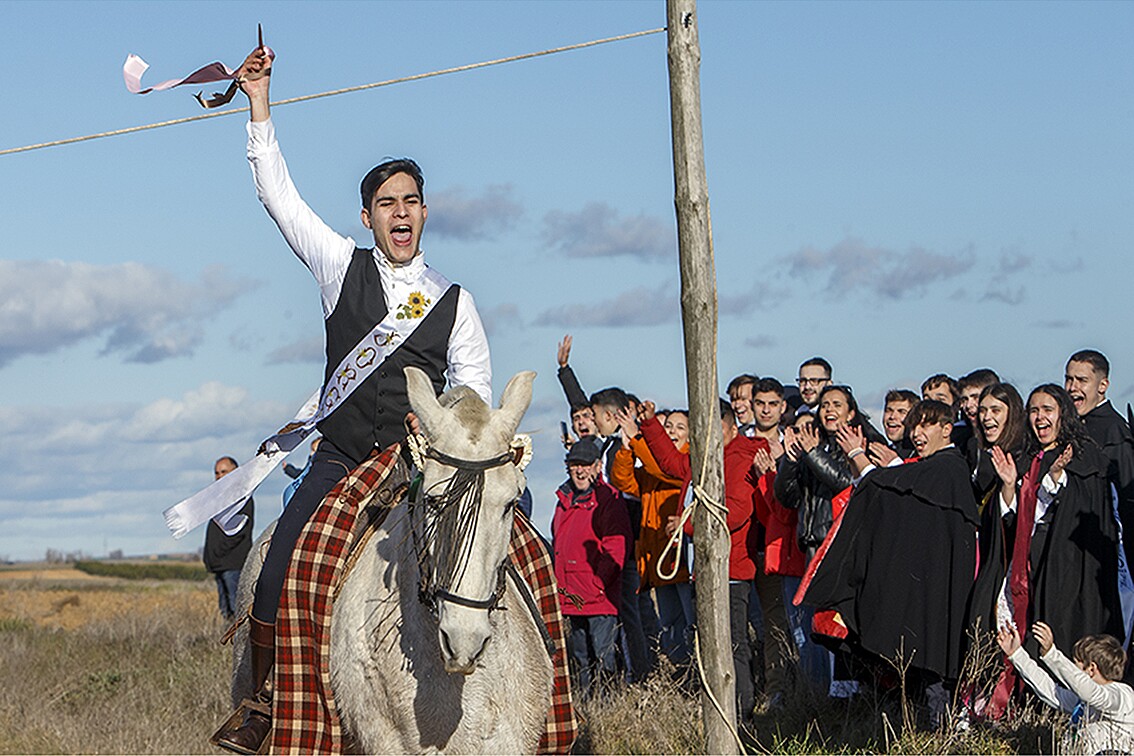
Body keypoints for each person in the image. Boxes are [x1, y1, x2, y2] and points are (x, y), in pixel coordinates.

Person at [214, 44, 494, 754]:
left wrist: (440, 422)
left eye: (409, 202)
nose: (399, 214)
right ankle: (265, 705)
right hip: (341, 458)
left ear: (425, 213)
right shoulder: (340, 267)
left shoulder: (456, 303)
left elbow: (477, 395)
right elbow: (278, 196)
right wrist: (259, 106)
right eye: (385, 204)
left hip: (422, 467)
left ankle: (547, 709)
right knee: (279, 573)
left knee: (524, 555)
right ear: (367, 217)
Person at [802, 400, 980, 721]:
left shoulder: (949, 467)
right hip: (925, 591)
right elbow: (902, 486)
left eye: (925, 426)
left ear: (946, 428)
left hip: (937, 598)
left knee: (934, 685)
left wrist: (859, 457)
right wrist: (891, 467)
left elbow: (892, 490)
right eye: (914, 427)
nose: (917, 434)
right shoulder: (932, 469)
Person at [640, 398, 768, 723]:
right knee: (707, 641)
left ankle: (741, 713)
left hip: (732, 569)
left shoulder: (741, 457)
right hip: (703, 569)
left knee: (734, 642)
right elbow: (671, 464)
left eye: (717, 429)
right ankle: (717, 709)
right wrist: (651, 424)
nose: (709, 435)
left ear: (731, 427)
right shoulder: (704, 456)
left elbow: (737, 511)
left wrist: (689, 523)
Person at [610, 407, 694, 665]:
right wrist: (625, 450)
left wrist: (638, 439)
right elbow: (623, 482)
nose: (672, 431)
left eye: (680, 427)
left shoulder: (688, 461)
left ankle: (697, 674)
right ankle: (681, 676)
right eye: (668, 426)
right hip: (658, 558)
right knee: (669, 623)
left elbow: (666, 470)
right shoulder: (650, 467)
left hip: (681, 556)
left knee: (692, 622)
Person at [553, 442, 633, 700]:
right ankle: (587, 708)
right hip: (571, 595)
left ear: (598, 466)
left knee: (605, 656)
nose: (580, 470)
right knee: (580, 658)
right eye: (575, 464)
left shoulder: (608, 499)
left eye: (586, 464)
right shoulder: (563, 499)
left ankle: (610, 708)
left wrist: (599, 583)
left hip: (599, 597)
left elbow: (616, 546)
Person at [998, 622, 1134, 754]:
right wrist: (1016, 654)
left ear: (1091, 669)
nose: (1072, 670)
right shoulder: (1082, 701)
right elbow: (1049, 690)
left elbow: (1090, 692)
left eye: (1075, 664)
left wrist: (1052, 655)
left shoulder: (1121, 696)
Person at [1065, 350, 1134, 570]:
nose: (1073, 387)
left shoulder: (1115, 433)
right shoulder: (1068, 426)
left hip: (1103, 550)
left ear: (1102, 386)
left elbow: (1127, 500)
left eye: (1082, 380)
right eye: (1069, 379)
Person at [204, 457, 254, 622]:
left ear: (235, 472)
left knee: (237, 606)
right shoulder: (217, 499)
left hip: (234, 563)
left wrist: (219, 551)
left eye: (224, 472)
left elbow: (239, 531)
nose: (219, 476)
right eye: (217, 473)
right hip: (219, 563)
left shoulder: (242, 497)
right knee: (225, 609)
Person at [880, 389, 919, 459]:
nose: (892, 416)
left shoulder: (920, 455)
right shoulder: (881, 453)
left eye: (901, 412)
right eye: (889, 410)